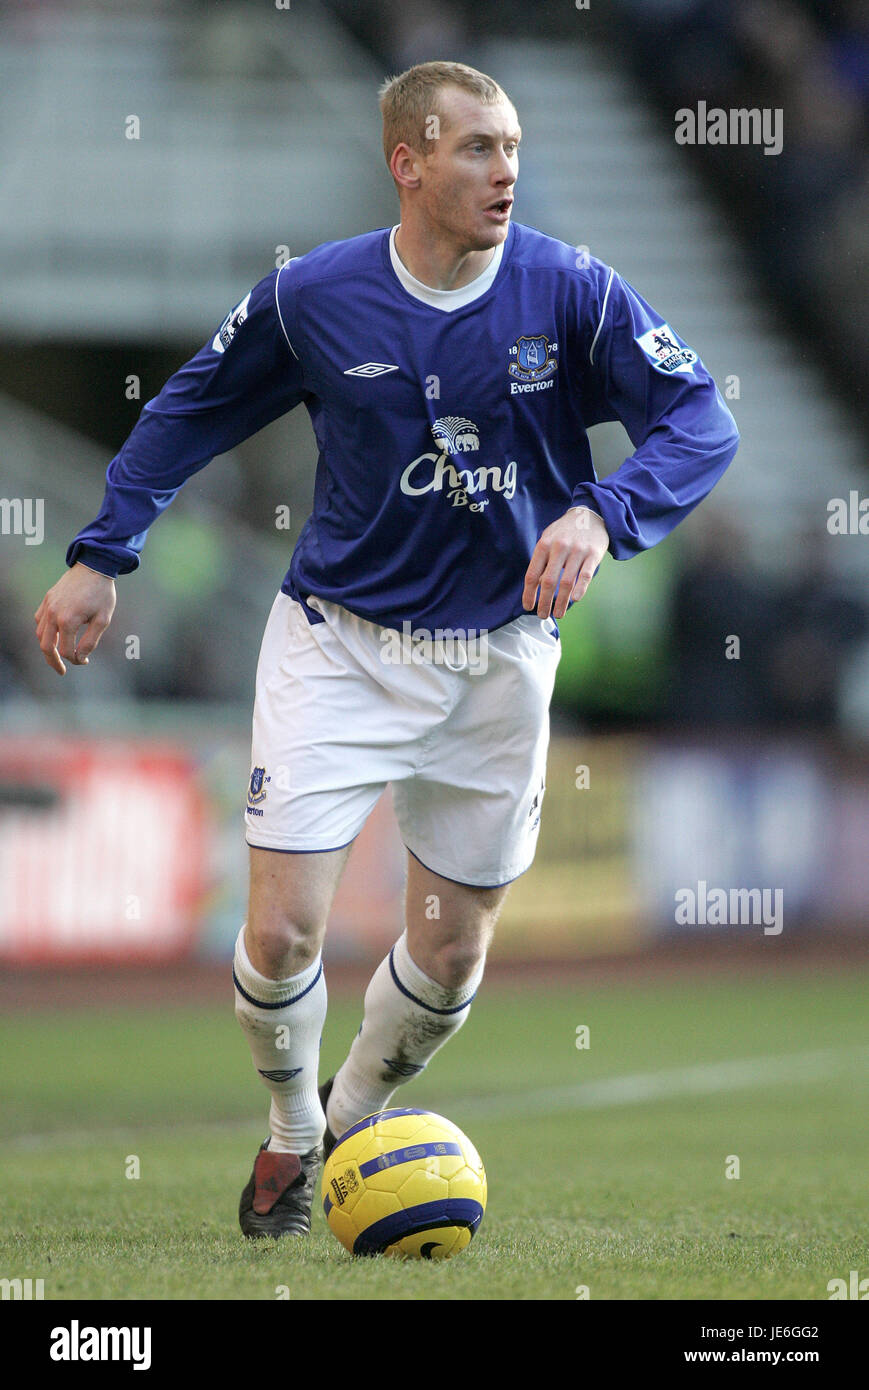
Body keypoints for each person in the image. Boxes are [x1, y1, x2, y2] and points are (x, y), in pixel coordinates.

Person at [34, 61, 739, 1241]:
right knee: (278, 933)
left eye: (510, 146)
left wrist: (601, 511)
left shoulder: (571, 290)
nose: (504, 170)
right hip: (338, 645)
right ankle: (290, 1133)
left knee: (452, 959)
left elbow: (698, 419)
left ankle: (351, 1108)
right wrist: (103, 552)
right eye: (473, 148)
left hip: (500, 658)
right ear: (405, 162)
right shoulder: (313, 296)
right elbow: (191, 407)